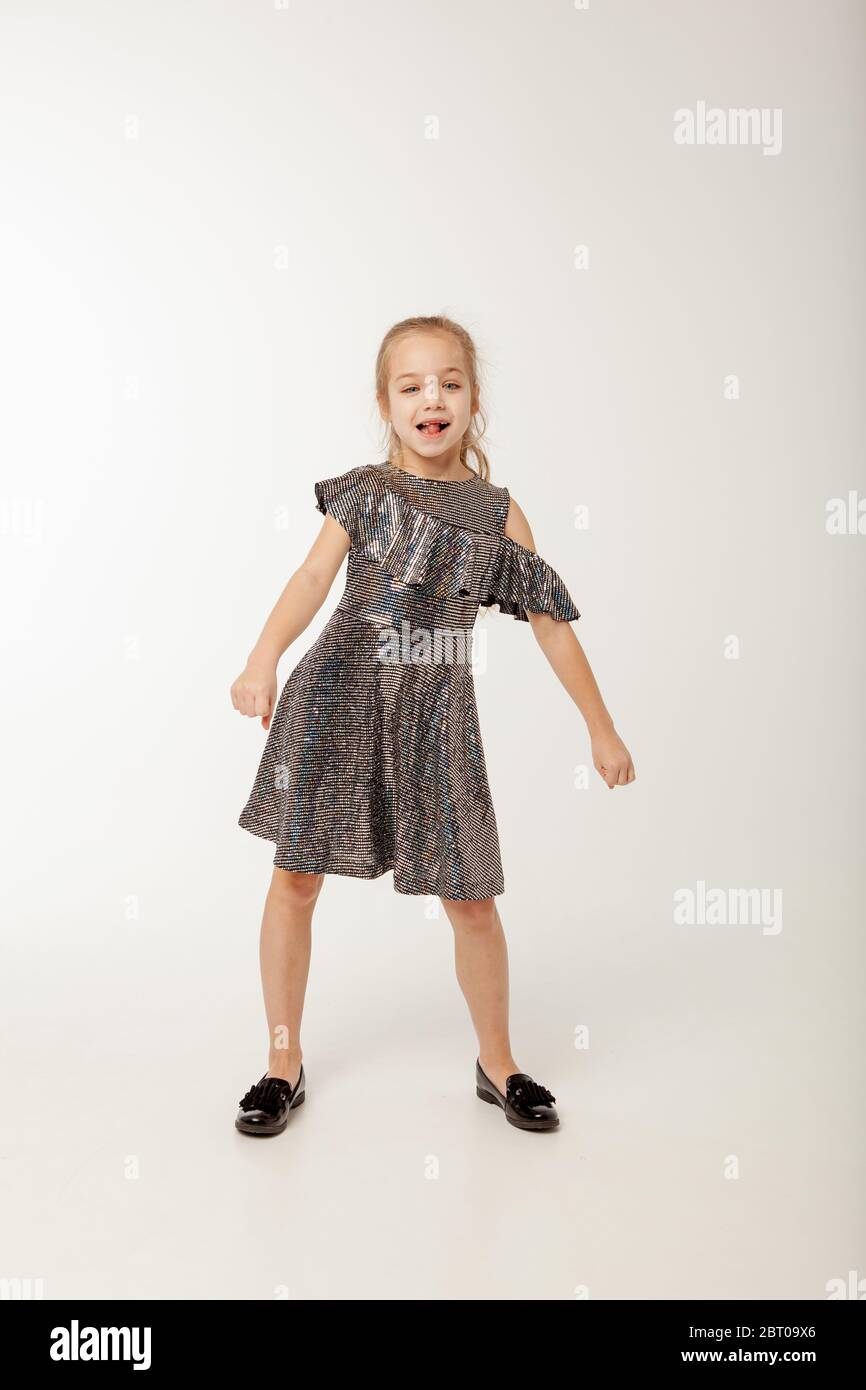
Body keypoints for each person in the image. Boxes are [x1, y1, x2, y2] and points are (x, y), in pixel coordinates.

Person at [231, 315, 636, 1136]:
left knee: (473, 899)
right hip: (335, 699)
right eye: (411, 386)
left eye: (449, 382)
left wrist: (602, 727)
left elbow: (553, 625)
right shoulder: (367, 492)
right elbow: (314, 576)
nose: (432, 399)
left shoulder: (496, 513)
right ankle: (282, 1061)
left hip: (435, 715)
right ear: (386, 404)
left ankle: (500, 1062)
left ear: (473, 399)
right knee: (296, 880)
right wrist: (262, 658)